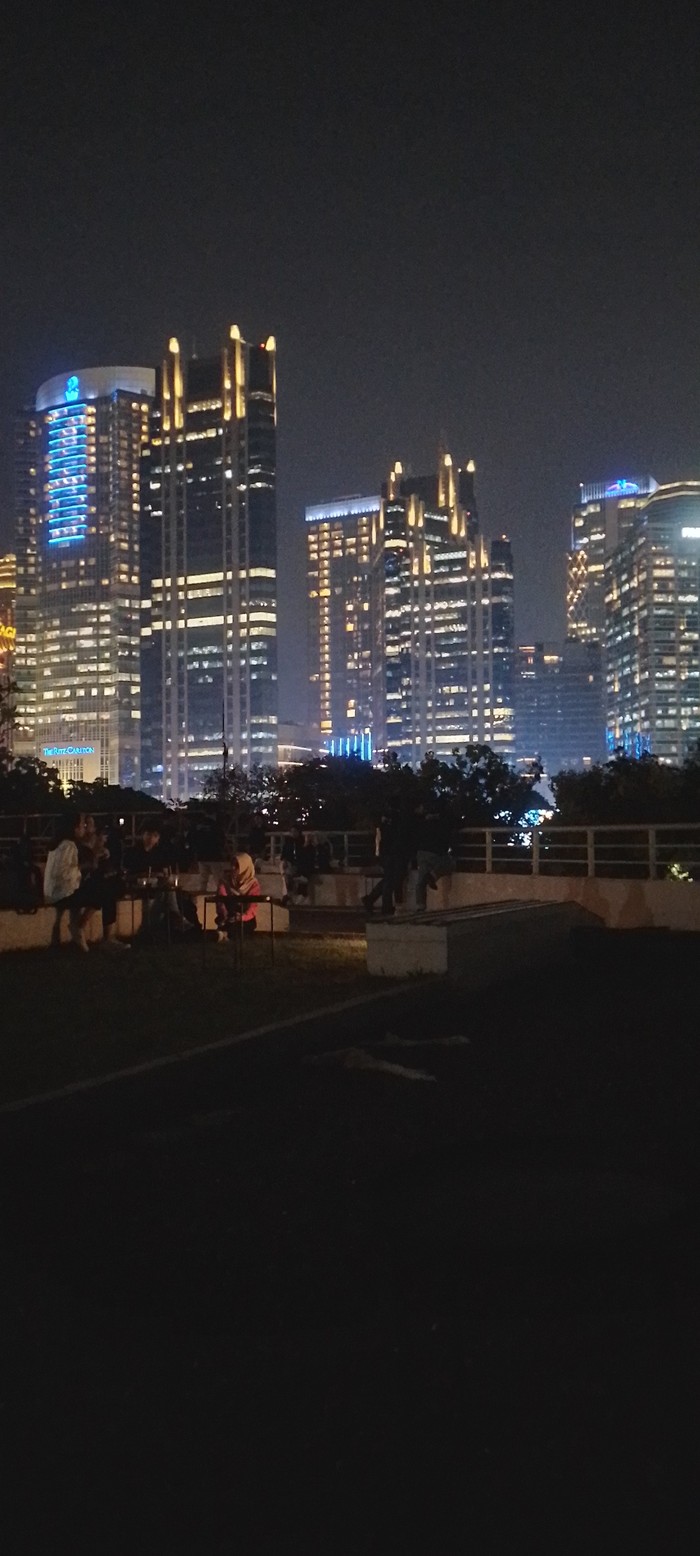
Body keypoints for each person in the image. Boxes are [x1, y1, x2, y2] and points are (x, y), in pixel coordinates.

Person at [43, 813, 94, 951]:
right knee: (100, 892)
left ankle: (75, 933)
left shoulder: (57, 844)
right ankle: (79, 927)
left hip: (53, 891)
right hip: (61, 892)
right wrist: (82, 868)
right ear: (74, 828)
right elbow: (64, 873)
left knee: (88, 891)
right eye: (82, 825)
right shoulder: (68, 845)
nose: (84, 828)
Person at [362, 800, 409, 917]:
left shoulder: (385, 819)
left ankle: (372, 900)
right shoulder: (397, 819)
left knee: (389, 879)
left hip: (387, 853)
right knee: (391, 880)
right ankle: (384, 906)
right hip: (394, 853)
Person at [414, 802, 454, 910]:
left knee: (421, 880)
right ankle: (433, 875)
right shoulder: (442, 823)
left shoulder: (422, 822)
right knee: (449, 864)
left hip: (421, 852)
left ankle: (420, 905)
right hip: (435, 852)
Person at [216, 852, 260, 941]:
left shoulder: (253, 884)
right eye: (232, 864)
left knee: (242, 928)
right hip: (228, 915)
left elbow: (252, 907)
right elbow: (221, 899)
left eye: (237, 866)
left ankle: (225, 934)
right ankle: (224, 933)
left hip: (245, 918)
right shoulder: (225, 880)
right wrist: (225, 914)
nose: (233, 868)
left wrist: (241, 917)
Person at [280, 825, 315, 905]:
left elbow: (304, 857)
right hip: (292, 865)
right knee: (286, 876)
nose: (293, 833)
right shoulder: (288, 842)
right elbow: (284, 855)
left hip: (302, 867)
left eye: (295, 831)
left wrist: (306, 845)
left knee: (293, 878)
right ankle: (288, 895)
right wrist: (286, 861)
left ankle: (289, 896)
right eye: (292, 832)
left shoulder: (303, 843)